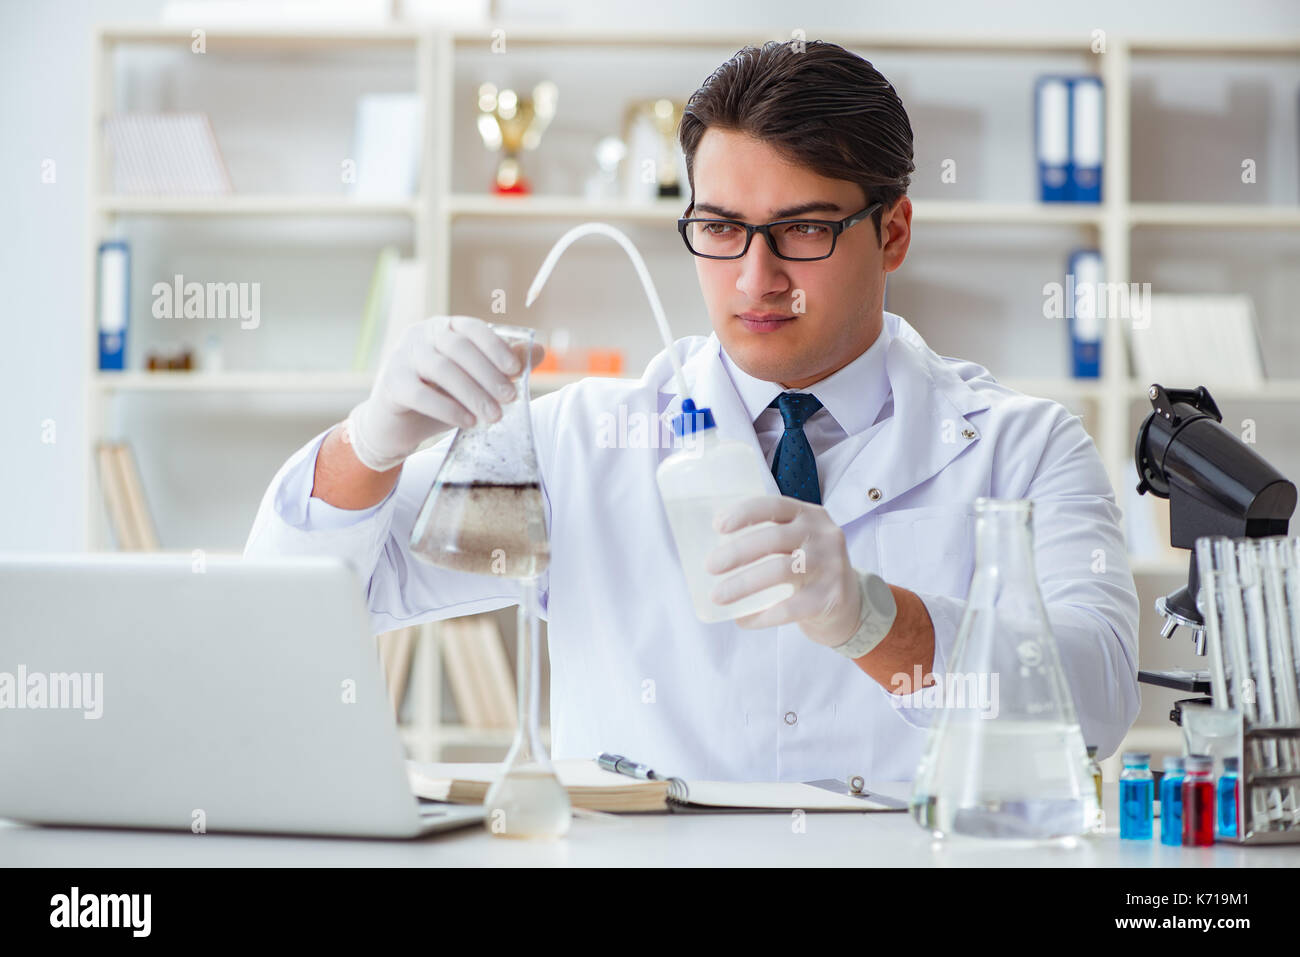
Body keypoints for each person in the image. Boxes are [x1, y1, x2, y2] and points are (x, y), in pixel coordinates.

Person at [245, 40, 1139, 783]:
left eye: (803, 230)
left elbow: (1094, 707)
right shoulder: (581, 446)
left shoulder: (1022, 449)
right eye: (719, 229)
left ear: (893, 230)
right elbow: (301, 612)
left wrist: (874, 620)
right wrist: (370, 443)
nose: (756, 279)